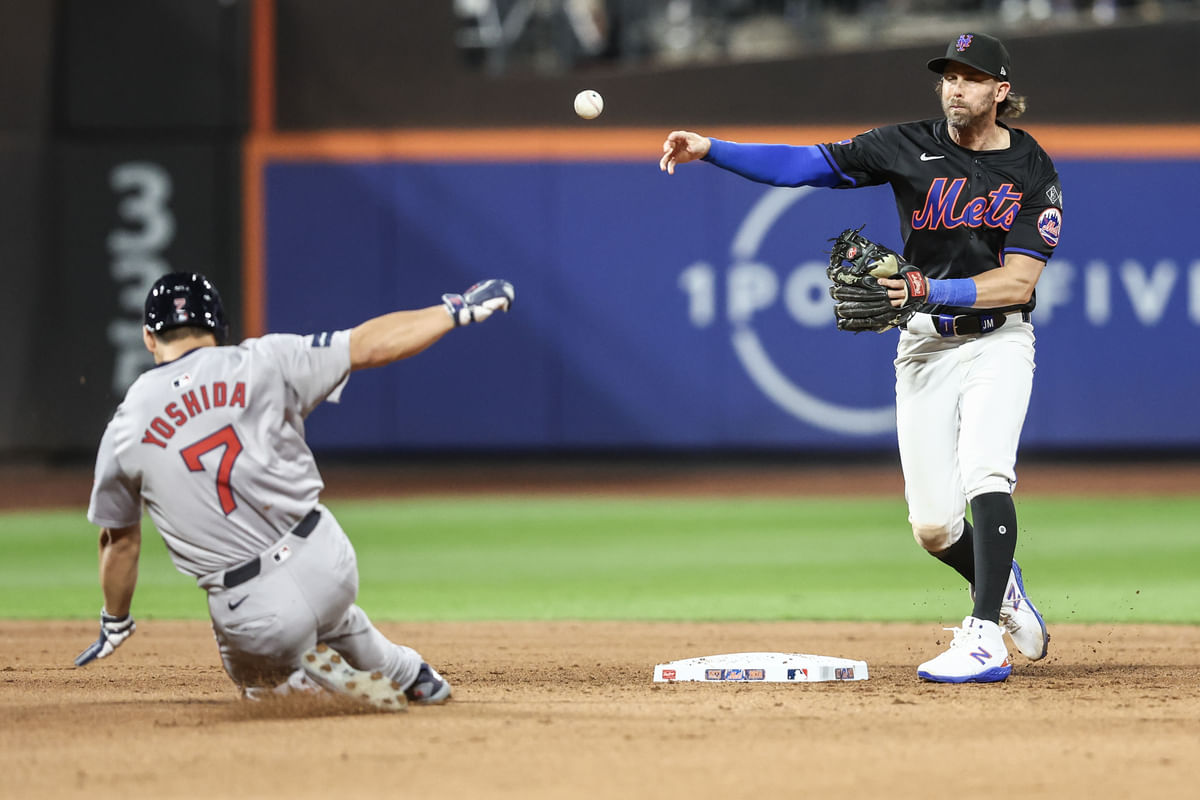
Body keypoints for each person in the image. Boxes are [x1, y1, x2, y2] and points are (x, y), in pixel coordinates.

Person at [660, 32, 1059, 683]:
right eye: (949, 76)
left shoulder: (1032, 170)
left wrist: (931, 286)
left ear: (1001, 91)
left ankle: (984, 635)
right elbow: (805, 164)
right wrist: (711, 150)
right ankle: (1002, 585)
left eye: (971, 77)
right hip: (925, 344)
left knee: (987, 472)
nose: (956, 87)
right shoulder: (906, 145)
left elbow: (1019, 282)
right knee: (933, 527)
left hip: (997, 338)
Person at [76, 272, 515, 709]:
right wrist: (452, 312)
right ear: (219, 327)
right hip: (328, 560)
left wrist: (115, 618)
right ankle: (409, 673)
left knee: (257, 681)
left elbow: (120, 542)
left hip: (253, 611)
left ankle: (299, 682)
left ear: (149, 339)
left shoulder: (125, 426)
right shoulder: (264, 359)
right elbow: (368, 345)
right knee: (335, 617)